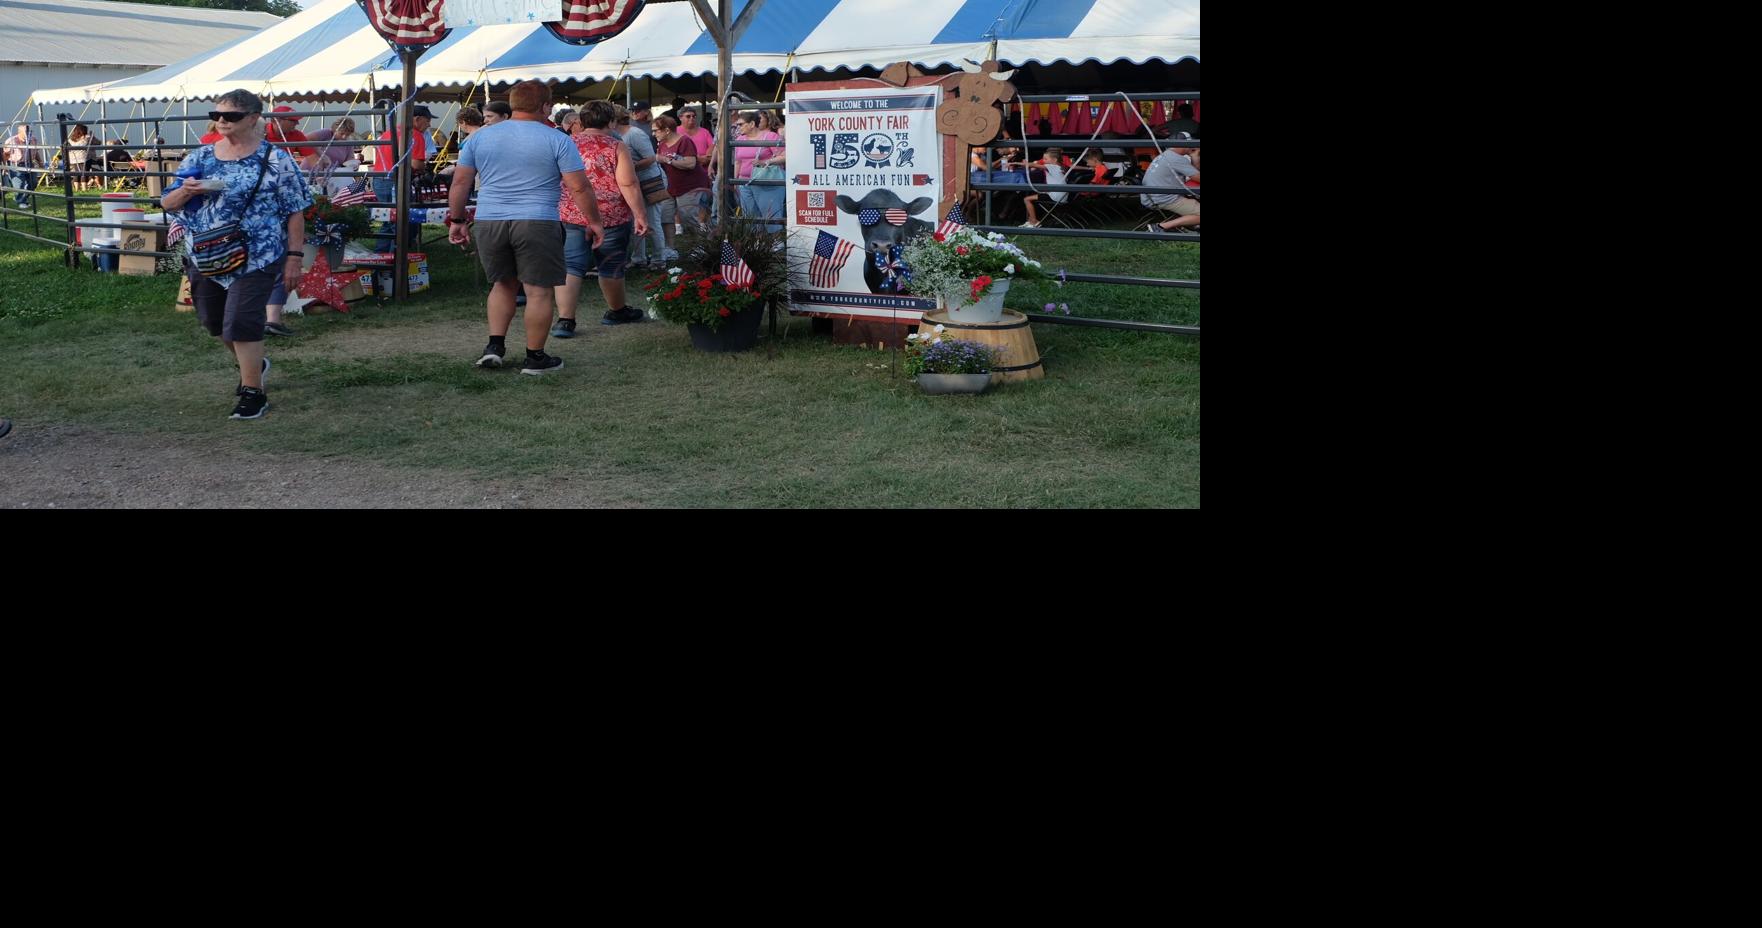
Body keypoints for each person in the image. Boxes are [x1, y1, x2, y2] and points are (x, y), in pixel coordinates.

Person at [161, 88, 311, 420]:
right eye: (216, 115)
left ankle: (253, 392)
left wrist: (294, 257)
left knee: (241, 321)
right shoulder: (200, 157)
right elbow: (167, 203)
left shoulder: (275, 159)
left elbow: (295, 210)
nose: (222, 121)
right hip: (206, 253)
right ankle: (254, 365)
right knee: (213, 322)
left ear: (253, 118)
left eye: (231, 116)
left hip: (258, 253)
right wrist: (185, 191)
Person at [446, 79, 604, 374]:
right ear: (546, 106)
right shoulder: (557, 139)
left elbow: (460, 182)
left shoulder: (479, 138)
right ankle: (535, 357)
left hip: (490, 218)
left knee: (502, 284)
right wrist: (594, 221)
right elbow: (579, 187)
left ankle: (494, 347)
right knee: (538, 291)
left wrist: (457, 220)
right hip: (538, 219)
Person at [552, 99, 647, 335]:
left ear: (581, 121)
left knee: (571, 265)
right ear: (611, 121)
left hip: (572, 213)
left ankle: (565, 320)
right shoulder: (616, 146)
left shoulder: (566, 143)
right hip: (610, 215)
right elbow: (628, 182)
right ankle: (617, 310)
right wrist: (640, 214)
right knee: (611, 263)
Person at [369, 104, 435, 249]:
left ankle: (381, 256)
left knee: (389, 219)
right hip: (395, 181)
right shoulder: (415, 135)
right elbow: (416, 164)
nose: (429, 125)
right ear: (417, 119)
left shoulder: (389, 133)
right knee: (402, 222)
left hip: (379, 179)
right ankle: (396, 256)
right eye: (427, 121)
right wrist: (424, 165)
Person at [616, 108, 672, 269]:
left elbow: (651, 158)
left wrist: (630, 167)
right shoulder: (617, 135)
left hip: (649, 182)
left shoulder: (634, 134)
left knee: (652, 220)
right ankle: (638, 258)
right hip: (634, 182)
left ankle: (659, 259)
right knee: (635, 220)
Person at [654, 113, 709, 240]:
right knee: (665, 217)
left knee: (688, 218)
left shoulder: (684, 141)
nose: (654, 134)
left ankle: (697, 246)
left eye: (656, 130)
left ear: (667, 130)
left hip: (689, 186)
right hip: (671, 186)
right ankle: (669, 247)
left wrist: (667, 160)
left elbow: (690, 163)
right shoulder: (662, 144)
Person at [730, 110, 784, 231]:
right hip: (744, 183)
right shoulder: (739, 139)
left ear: (752, 124)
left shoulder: (770, 136)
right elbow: (738, 161)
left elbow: (784, 156)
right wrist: (735, 181)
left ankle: (775, 240)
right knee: (749, 217)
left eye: (741, 124)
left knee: (771, 215)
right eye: (737, 125)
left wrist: (766, 162)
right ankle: (755, 240)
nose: (738, 127)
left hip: (766, 182)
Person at [1141, 132, 1199, 233]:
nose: (1192, 146)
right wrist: (1195, 155)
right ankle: (1160, 227)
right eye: (1190, 143)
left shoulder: (1166, 155)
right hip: (1164, 198)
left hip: (1151, 196)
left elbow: (1194, 173)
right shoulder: (1176, 158)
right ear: (1184, 144)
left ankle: (1193, 225)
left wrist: (1194, 157)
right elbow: (1198, 178)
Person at [1020, 146, 1069, 228]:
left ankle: (1034, 221)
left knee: (1027, 199)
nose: (1043, 161)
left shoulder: (1052, 166)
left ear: (1054, 160)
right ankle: (1030, 220)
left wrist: (1023, 163)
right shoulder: (1061, 167)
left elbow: (1035, 165)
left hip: (1056, 197)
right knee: (1037, 194)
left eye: (1046, 159)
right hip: (1062, 196)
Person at [267, 105, 320, 170]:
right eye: (293, 120)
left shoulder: (297, 135)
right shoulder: (260, 132)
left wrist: (318, 172)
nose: (297, 123)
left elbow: (312, 157)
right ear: (278, 120)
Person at [3, 123, 37, 209]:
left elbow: (36, 152)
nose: (29, 133)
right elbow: (5, 154)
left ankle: (21, 198)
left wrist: (40, 163)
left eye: (29, 131)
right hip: (16, 165)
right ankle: (21, 202)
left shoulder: (33, 139)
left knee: (33, 182)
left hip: (30, 164)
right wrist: (5, 166)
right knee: (19, 184)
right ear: (20, 132)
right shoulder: (11, 141)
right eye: (26, 131)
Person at [65, 123, 93, 190]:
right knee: (83, 173)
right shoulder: (86, 138)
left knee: (77, 174)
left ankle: (77, 189)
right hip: (82, 159)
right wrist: (90, 135)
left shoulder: (70, 139)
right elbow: (82, 144)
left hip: (74, 159)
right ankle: (84, 189)